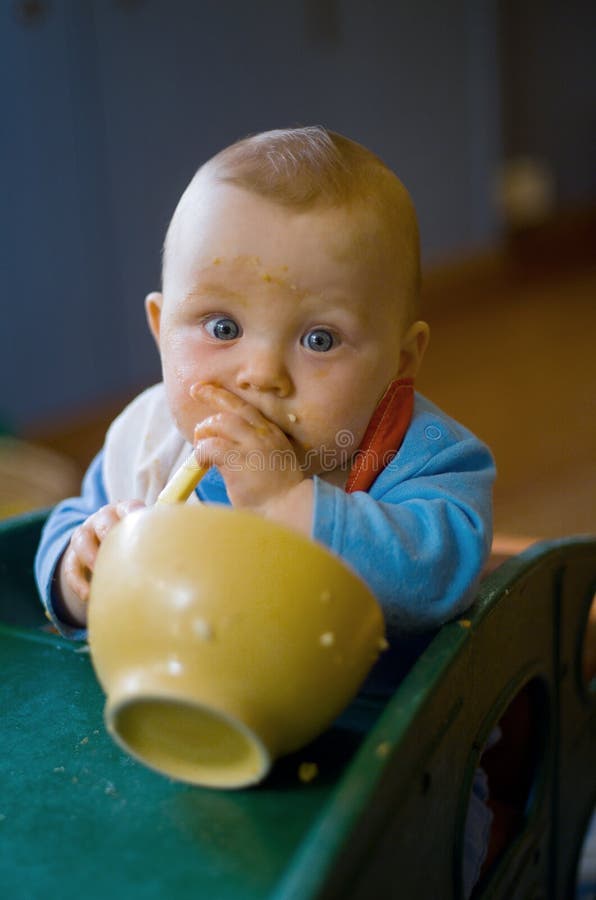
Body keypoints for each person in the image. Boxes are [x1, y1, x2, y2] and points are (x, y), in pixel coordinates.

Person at [35, 126, 495, 893]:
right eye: (220, 328)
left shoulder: (421, 455)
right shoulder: (152, 441)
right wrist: (77, 570)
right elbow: (72, 522)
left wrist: (287, 498)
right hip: (174, 735)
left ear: (400, 357)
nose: (260, 375)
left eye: (319, 338)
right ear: (160, 328)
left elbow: (442, 569)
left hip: (383, 757)